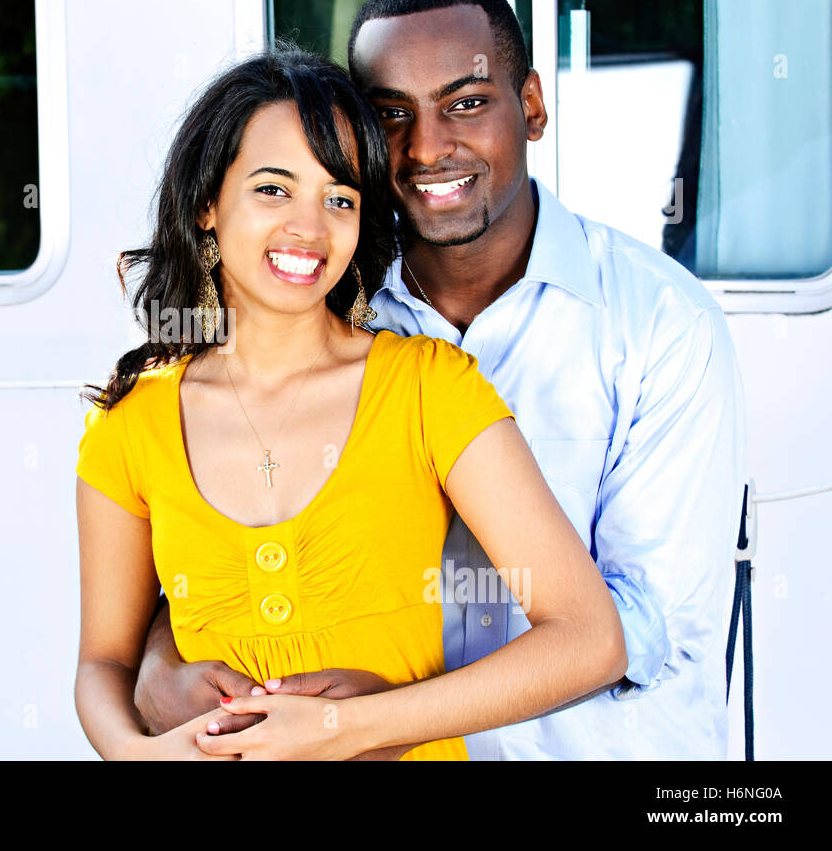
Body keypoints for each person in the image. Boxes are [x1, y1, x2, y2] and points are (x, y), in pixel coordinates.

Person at [137, 0, 746, 761]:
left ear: (530, 106)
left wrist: (380, 713)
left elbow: (639, 628)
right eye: (391, 114)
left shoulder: (662, 323)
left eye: (466, 103)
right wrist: (159, 658)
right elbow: (216, 542)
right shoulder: (326, 312)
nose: (427, 147)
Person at [73, 47, 627, 760]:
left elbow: (590, 638)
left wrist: (349, 726)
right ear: (207, 204)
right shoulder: (129, 423)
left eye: (339, 197)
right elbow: (103, 663)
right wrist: (134, 750)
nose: (309, 226)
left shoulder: (430, 387)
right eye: (273, 190)